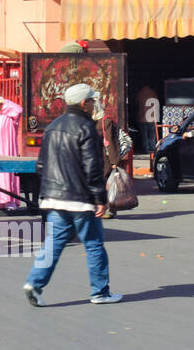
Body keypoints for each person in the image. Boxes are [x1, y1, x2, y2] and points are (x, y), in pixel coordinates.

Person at [24, 83, 122, 306]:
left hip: (54, 198)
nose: (94, 104)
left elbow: (41, 165)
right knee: (94, 244)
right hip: (80, 200)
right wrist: (100, 199)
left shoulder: (53, 126)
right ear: (83, 103)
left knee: (53, 243)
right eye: (91, 100)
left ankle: (34, 282)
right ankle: (100, 292)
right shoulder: (88, 128)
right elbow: (93, 168)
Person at [135, 84, 160, 154]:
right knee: (152, 135)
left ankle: (146, 150)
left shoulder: (140, 92)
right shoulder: (153, 92)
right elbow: (157, 103)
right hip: (152, 117)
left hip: (142, 117)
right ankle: (152, 149)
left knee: (144, 136)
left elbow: (136, 102)